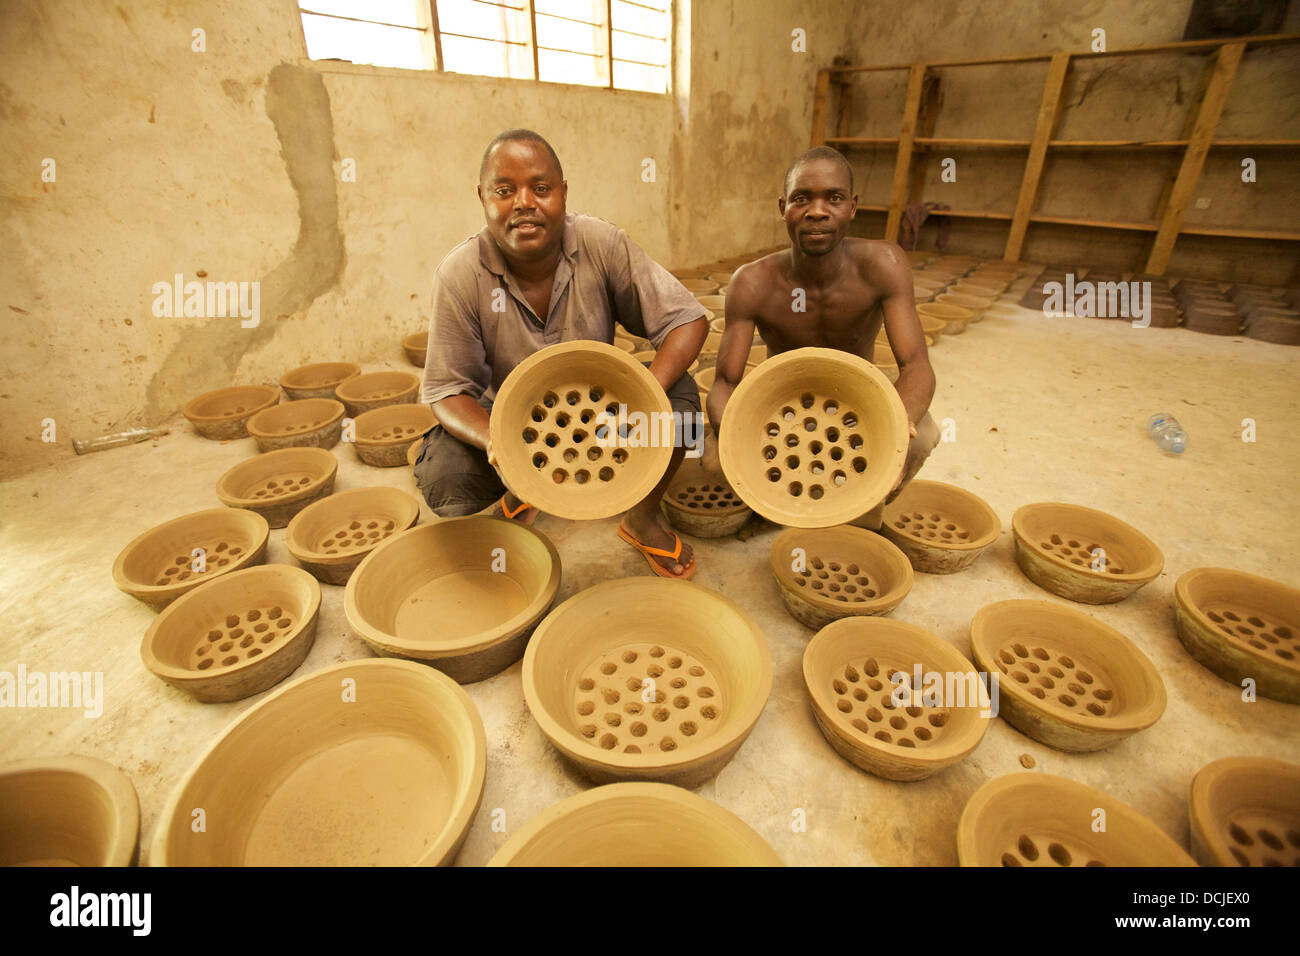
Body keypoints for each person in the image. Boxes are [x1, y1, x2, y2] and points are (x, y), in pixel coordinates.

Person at [414, 129, 708, 577]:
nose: (524, 202)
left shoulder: (601, 243)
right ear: (483, 197)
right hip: (511, 418)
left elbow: (688, 319)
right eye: (505, 190)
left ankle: (642, 517)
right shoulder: (461, 274)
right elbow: (446, 390)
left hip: (603, 409)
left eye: (541, 188)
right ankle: (524, 490)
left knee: (683, 413)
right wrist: (499, 439)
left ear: (563, 193)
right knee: (446, 479)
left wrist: (645, 392)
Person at [706, 145, 940, 528]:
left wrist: (895, 431)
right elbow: (725, 382)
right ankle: (780, 500)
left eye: (833, 198)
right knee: (716, 458)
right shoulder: (752, 282)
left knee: (921, 434)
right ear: (782, 207)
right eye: (801, 199)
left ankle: (857, 510)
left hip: (856, 404)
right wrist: (736, 439)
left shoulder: (884, 265)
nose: (817, 211)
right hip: (780, 408)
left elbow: (917, 366)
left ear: (852, 206)